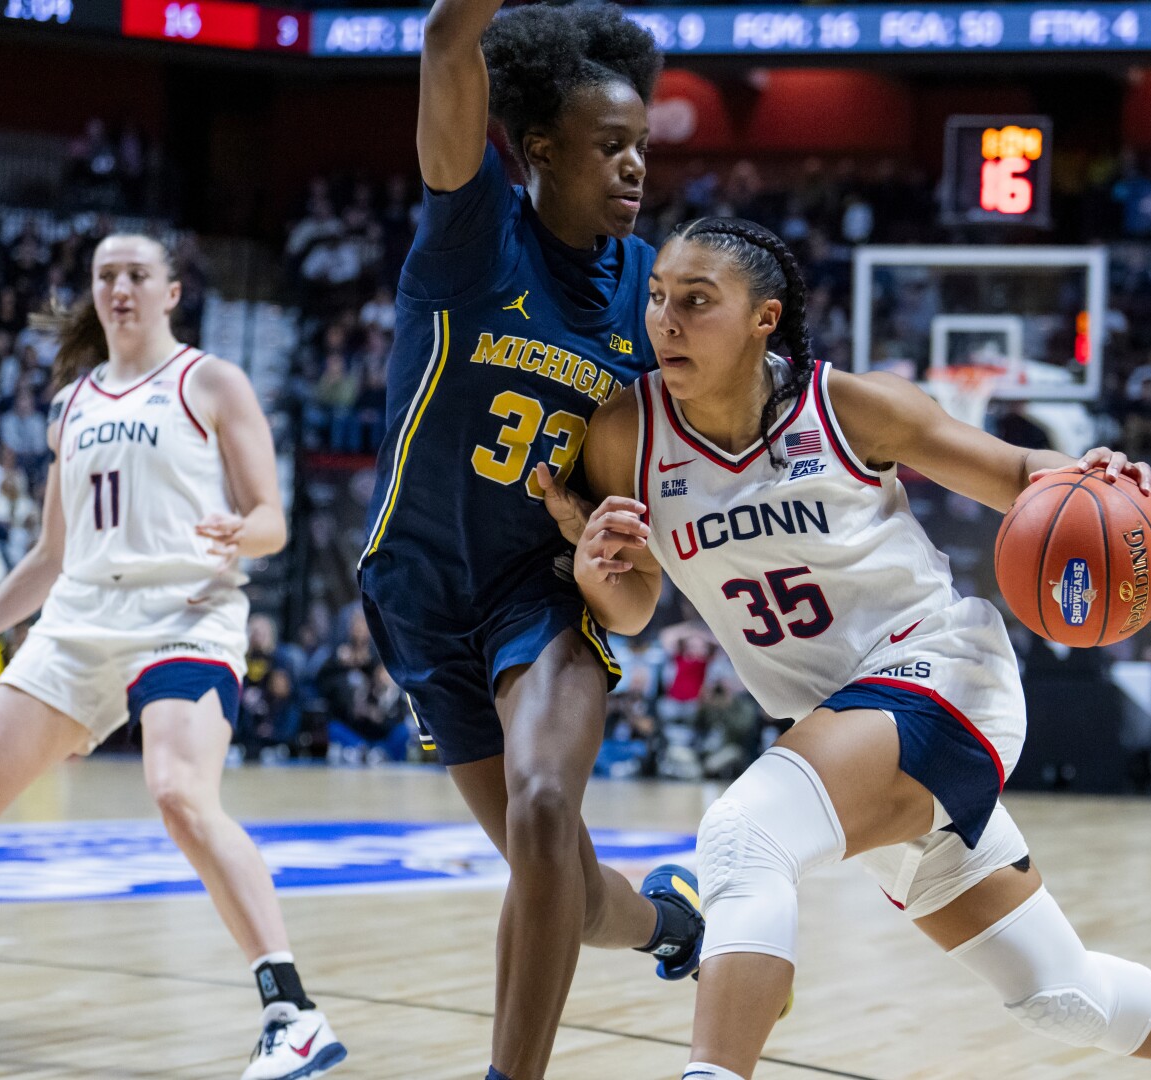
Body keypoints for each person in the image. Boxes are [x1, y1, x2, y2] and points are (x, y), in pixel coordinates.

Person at [552, 216, 1151, 1080]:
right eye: (659, 297)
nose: (665, 319)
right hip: (844, 732)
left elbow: (1015, 474)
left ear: (764, 317)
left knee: (745, 836)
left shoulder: (848, 406)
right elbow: (632, 609)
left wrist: (1094, 475)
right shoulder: (629, 431)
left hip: (939, 677)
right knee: (1057, 993)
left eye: (697, 301)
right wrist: (597, 568)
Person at [0, 235, 346, 1077]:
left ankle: (293, 1012)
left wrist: (248, 532)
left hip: (184, 613)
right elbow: (50, 558)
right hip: (80, 618)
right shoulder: (73, 403)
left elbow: (272, 515)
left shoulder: (211, 381)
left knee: (177, 793)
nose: (120, 288)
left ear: (171, 292)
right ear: (93, 294)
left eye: (137, 275)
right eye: (106, 277)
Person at [356, 3, 700, 1076]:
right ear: (537, 148)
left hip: (540, 590)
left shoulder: (651, 294)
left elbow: (642, 558)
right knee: (561, 875)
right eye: (611, 145)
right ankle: (667, 924)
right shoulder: (473, 234)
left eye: (643, 143)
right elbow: (450, 38)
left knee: (545, 808)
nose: (637, 163)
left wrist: (609, 550)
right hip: (416, 594)